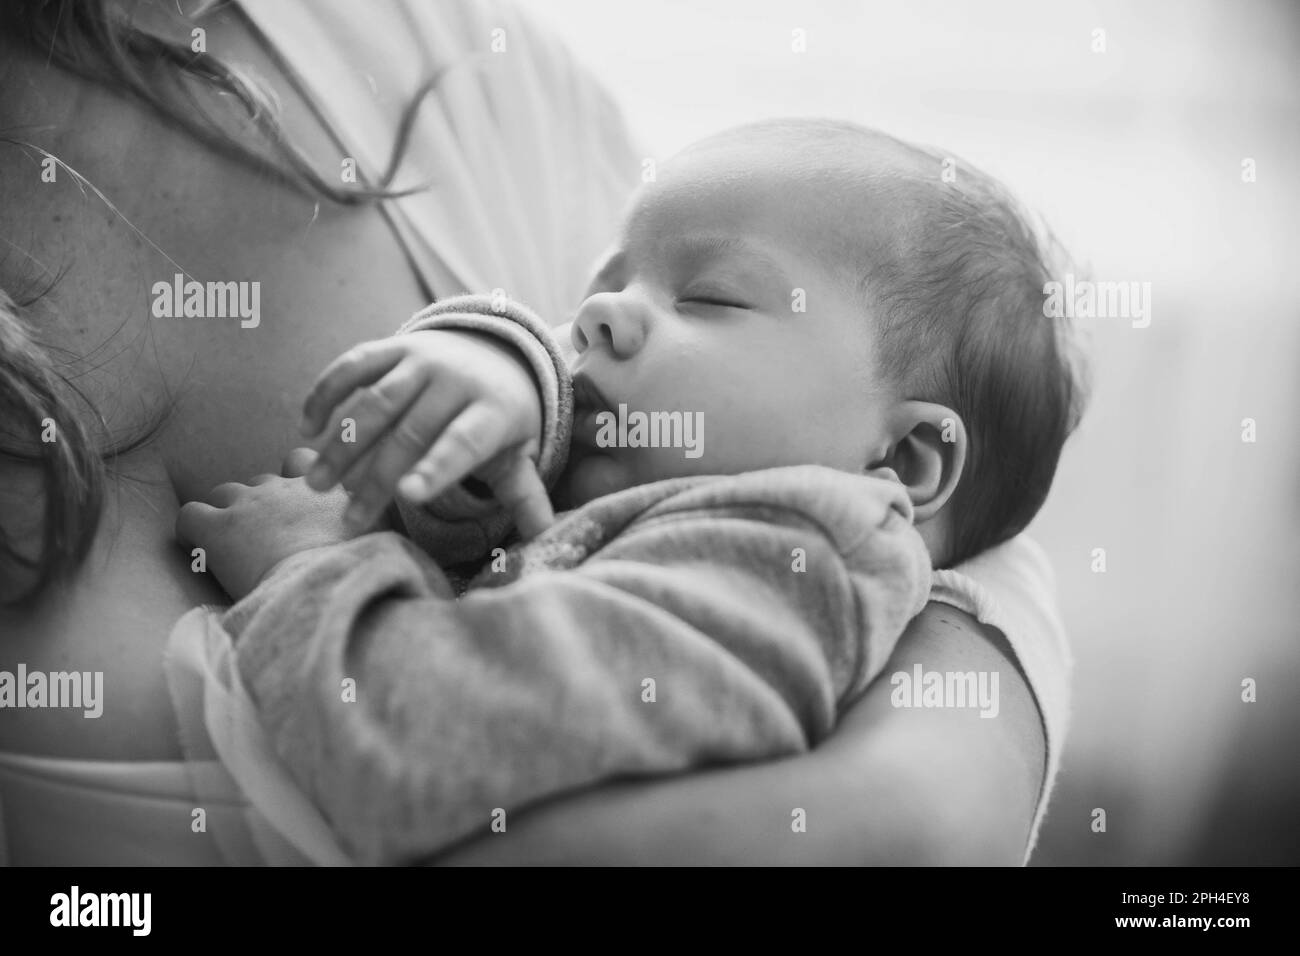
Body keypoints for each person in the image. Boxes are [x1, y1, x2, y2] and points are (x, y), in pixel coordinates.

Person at [0, 0, 1069, 865]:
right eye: (602, 282)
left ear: (908, 460)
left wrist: (314, 565)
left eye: (707, 301)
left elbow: (435, 735)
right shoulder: (680, 492)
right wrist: (503, 367)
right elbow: (492, 530)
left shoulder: (782, 558)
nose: (595, 313)